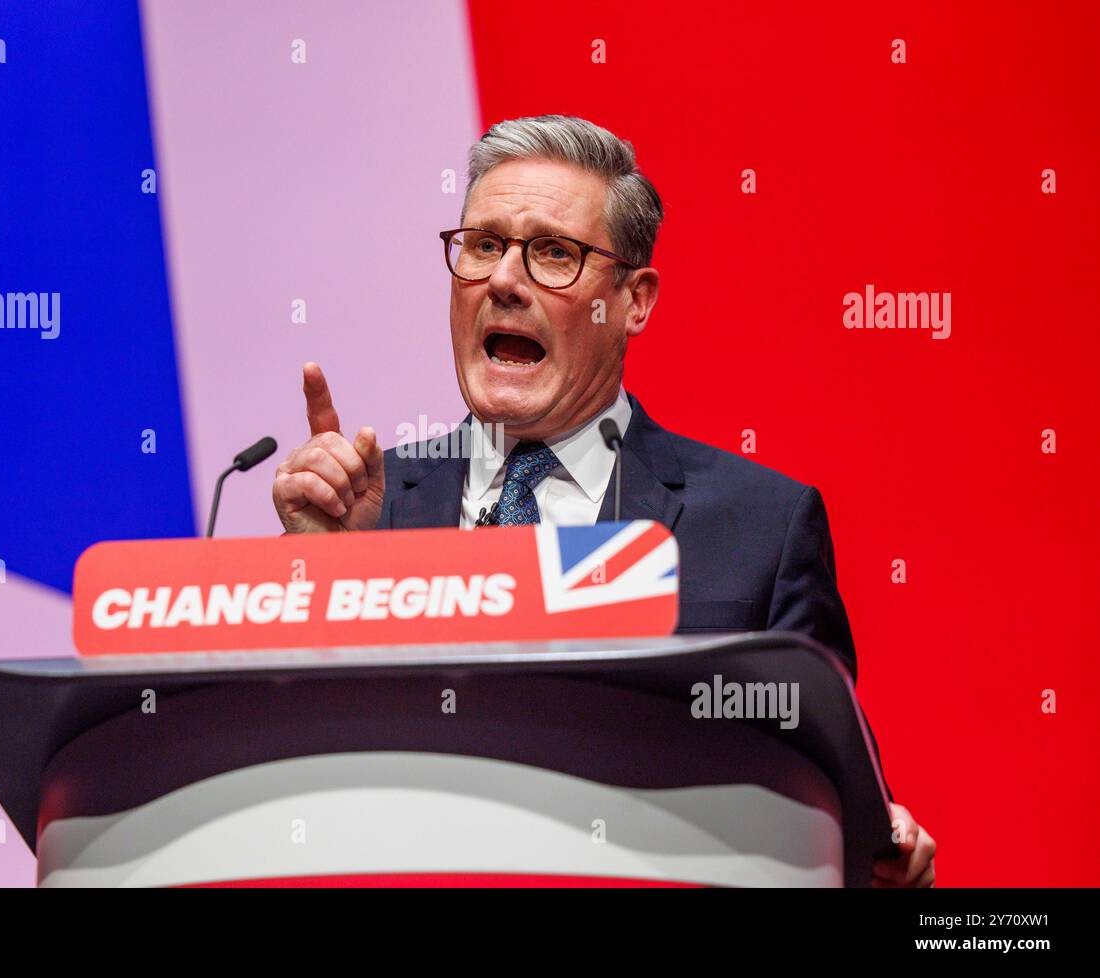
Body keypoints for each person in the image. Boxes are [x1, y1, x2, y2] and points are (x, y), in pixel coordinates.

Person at [271, 114, 935, 887]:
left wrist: (884, 851)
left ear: (633, 301)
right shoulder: (365, 511)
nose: (505, 281)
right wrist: (327, 585)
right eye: (483, 245)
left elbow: (844, 822)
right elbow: (292, 798)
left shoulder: (760, 529)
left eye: (555, 253)